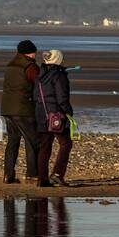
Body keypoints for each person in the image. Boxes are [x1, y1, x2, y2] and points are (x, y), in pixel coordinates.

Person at [0, 39, 41, 184]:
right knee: (33, 141)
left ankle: (8, 175)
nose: (36, 54)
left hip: (7, 109)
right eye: (34, 52)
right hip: (23, 109)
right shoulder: (30, 67)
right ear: (29, 53)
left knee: (12, 142)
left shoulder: (10, 66)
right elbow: (38, 86)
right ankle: (32, 173)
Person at [33, 48, 73, 187]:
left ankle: (42, 180)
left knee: (44, 146)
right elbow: (62, 97)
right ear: (58, 59)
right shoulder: (58, 75)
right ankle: (57, 174)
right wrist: (69, 113)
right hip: (56, 115)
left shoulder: (40, 74)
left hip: (40, 114)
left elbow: (36, 95)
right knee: (66, 143)